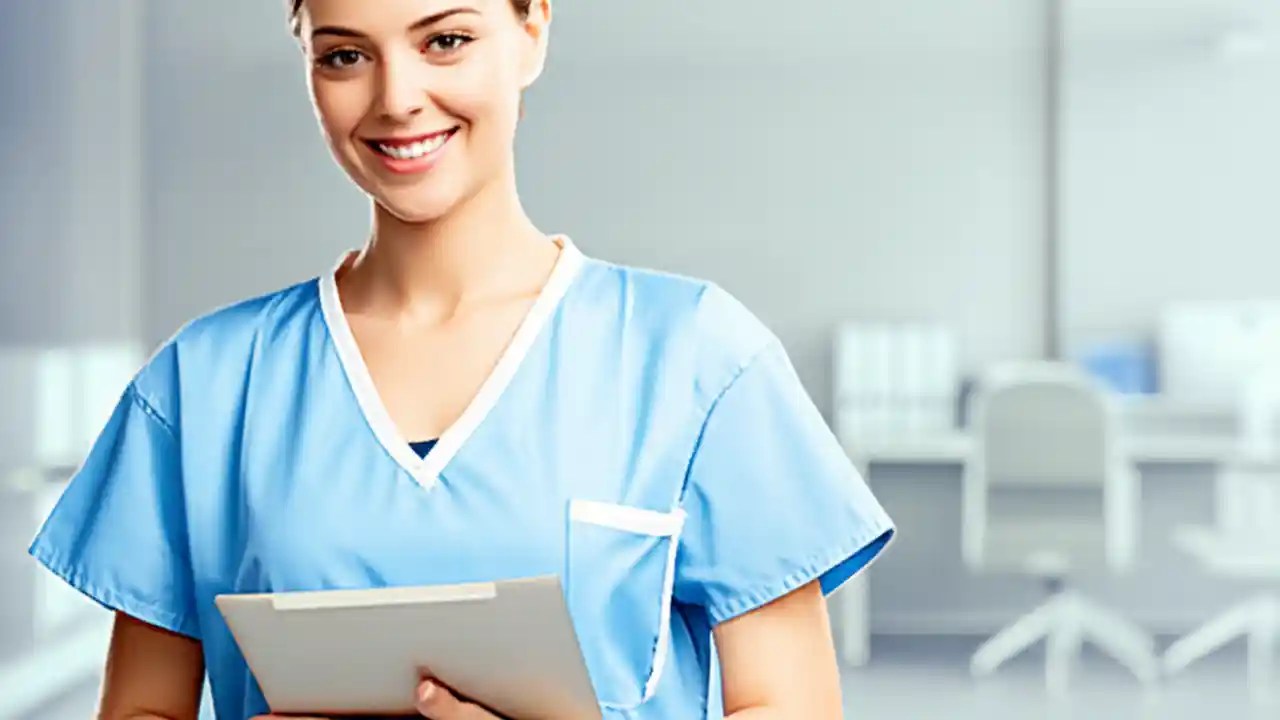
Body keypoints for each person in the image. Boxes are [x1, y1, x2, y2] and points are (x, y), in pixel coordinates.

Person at [28, 0, 895, 718]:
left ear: (533, 31)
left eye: (445, 40)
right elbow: (140, 708)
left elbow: (789, 705)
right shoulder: (207, 385)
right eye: (343, 56)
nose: (398, 98)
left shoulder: (697, 357)